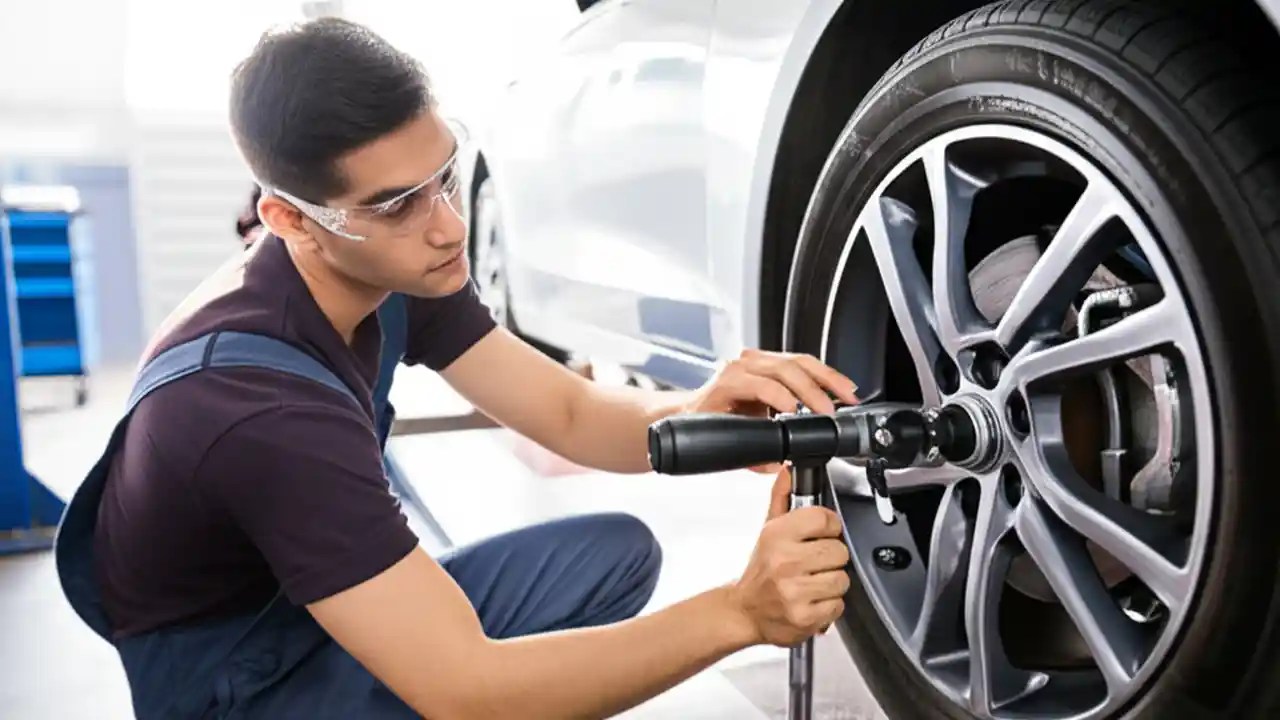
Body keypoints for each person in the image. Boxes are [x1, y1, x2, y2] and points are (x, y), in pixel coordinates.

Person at [56, 18, 860, 719]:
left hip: (303, 609)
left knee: (614, 554)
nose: (447, 226)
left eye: (445, 175)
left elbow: (570, 414)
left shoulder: (388, 265)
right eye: (397, 202)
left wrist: (700, 407)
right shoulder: (253, 408)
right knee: (481, 691)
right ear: (290, 220)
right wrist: (740, 613)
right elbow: (468, 694)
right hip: (233, 688)